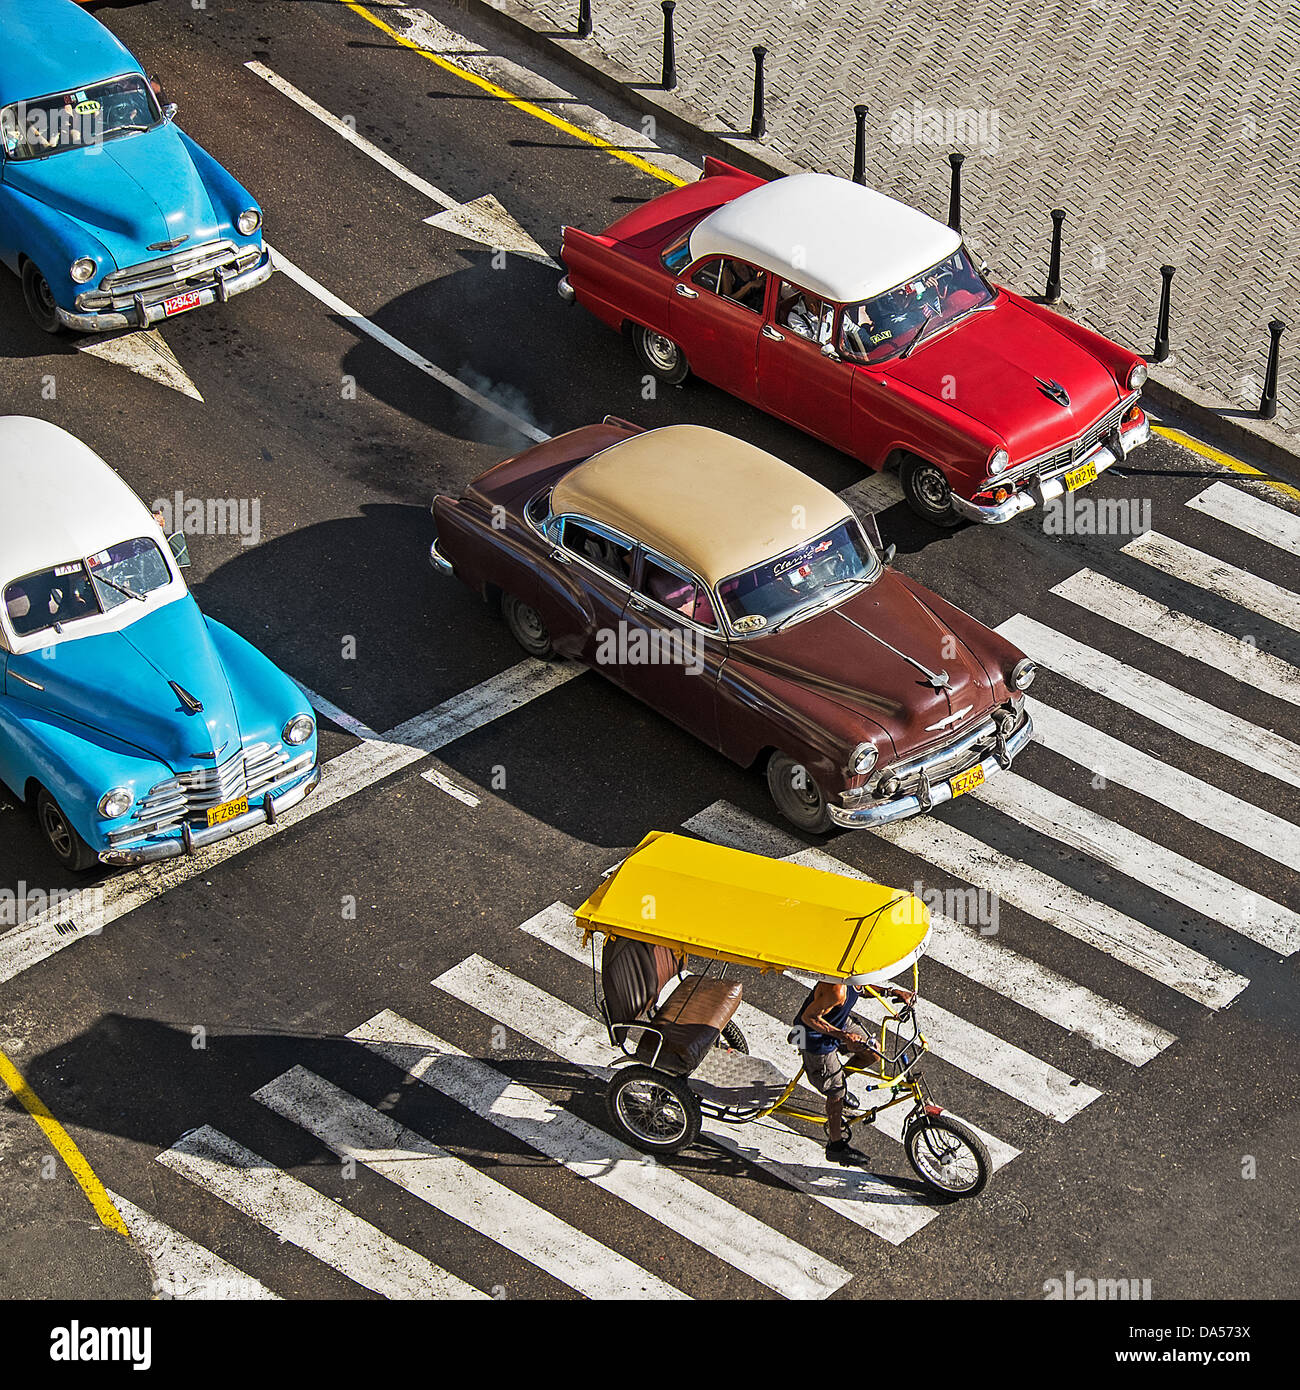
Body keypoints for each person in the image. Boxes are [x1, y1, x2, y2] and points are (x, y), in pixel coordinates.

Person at [794, 977, 914, 1165]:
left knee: (873, 1053)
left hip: (838, 1021)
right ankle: (835, 1146)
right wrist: (845, 1036)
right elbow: (807, 1018)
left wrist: (891, 992)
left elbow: (862, 988)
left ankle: (838, 1079)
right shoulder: (837, 989)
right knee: (836, 1094)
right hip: (812, 1036)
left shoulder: (859, 976)